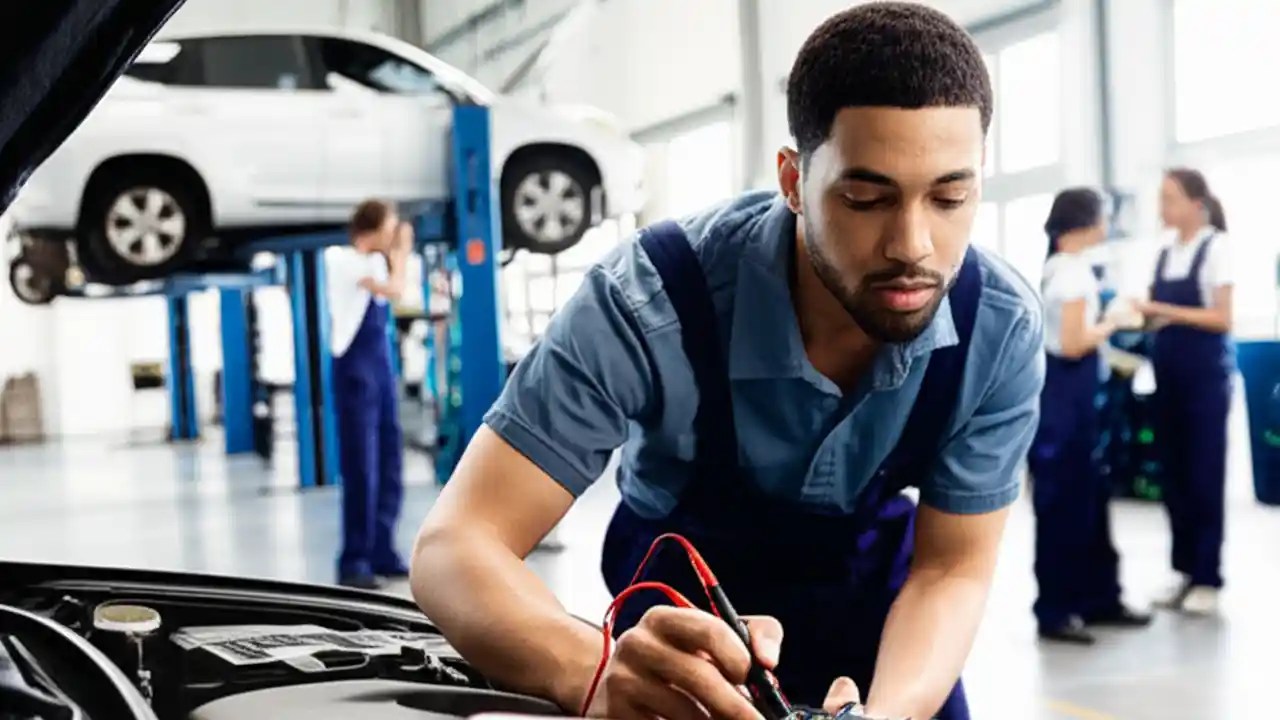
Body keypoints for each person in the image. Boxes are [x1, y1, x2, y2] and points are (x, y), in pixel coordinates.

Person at [410, 4, 1045, 720]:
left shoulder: (999, 328)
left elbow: (949, 568)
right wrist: (591, 672)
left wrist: (890, 713)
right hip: (682, 629)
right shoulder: (647, 302)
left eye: (950, 196)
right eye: (866, 198)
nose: (914, 244)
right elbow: (456, 545)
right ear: (793, 181)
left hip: (880, 630)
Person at [1028, 188, 1152, 644]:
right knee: (1064, 505)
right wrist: (1116, 321)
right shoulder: (1071, 273)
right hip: (1066, 403)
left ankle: (1099, 597)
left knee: (1091, 501)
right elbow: (1076, 342)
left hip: (1078, 402)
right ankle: (1058, 609)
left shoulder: (1068, 269)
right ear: (1086, 220)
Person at [1137, 168, 1234, 616]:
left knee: (1203, 475)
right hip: (1168, 376)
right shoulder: (1165, 252)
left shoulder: (1217, 247)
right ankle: (1182, 570)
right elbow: (1158, 316)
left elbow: (1221, 318)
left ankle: (1207, 578)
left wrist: (1161, 309)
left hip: (1204, 380)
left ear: (1197, 203)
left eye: (1170, 198)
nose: (1163, 207)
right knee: (1172, 474)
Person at [326, 199, 412, 589]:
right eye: (390, 226)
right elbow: (395, 288)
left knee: (389, 461)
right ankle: (354, 559)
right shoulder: (345, 262)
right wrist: (404, 249)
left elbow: (394, 288)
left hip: (379, 371)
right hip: (354, 372)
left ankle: (382, 549)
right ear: (372, 229)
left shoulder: (375, 262)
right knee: (361, 466)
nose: (393, 234)